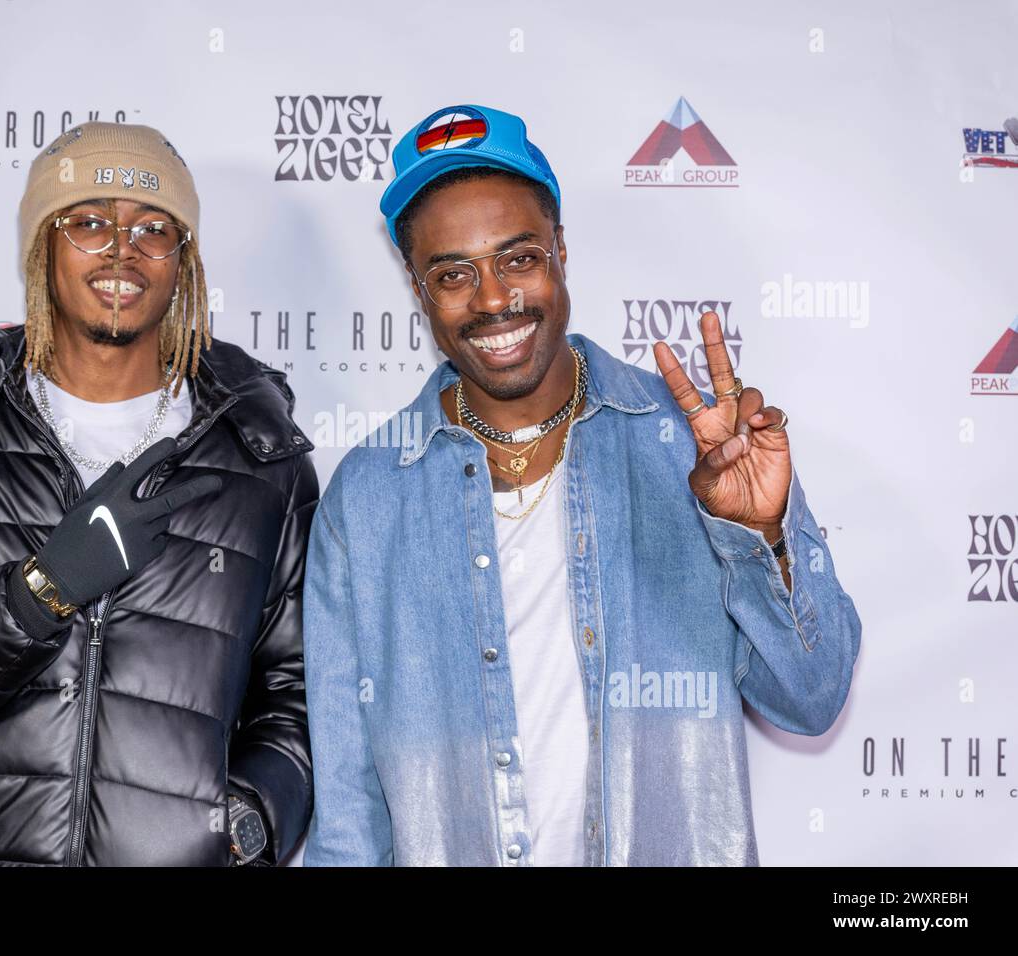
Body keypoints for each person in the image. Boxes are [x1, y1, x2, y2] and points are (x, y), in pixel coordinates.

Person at [300, 104, 861, 866]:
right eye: (454, 273)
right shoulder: (366, 499)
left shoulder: (690, 451)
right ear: (418, 287)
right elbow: (348, 816)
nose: (494, 299)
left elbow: (812, 697)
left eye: (519, 257)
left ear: (561, 248)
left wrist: (759, 536)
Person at [0, 121, 318, 866]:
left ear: (184, 263)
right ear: (42, 247)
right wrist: (37, 595)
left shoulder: (262, 461)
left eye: (154, 228)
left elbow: (299, 695)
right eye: (88, 221)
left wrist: (247, 822)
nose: (122, 248)